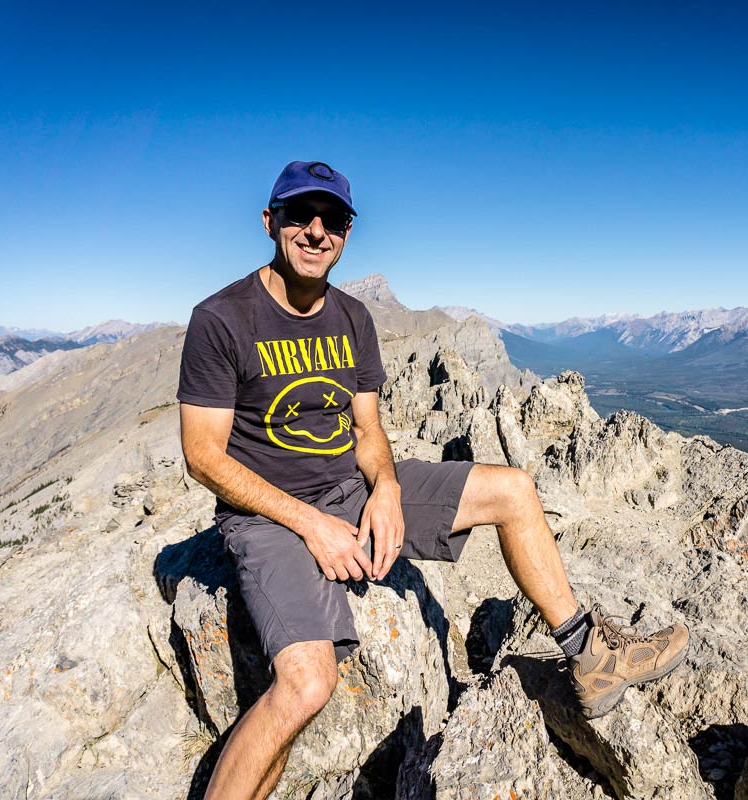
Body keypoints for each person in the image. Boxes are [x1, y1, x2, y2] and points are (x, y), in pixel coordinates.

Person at [176, 160, 690, 799]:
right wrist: (312, 525)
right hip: (271, 517)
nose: (316, 231)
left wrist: (386, 488)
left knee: (514, 490)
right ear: (269, 221)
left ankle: (590, 655)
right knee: (307, 684)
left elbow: (367, 428)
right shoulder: (223, 318)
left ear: (347, 231)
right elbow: (203, 456)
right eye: (300, 214)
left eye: (333, 219)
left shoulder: (353, 318)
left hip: (351, 488)